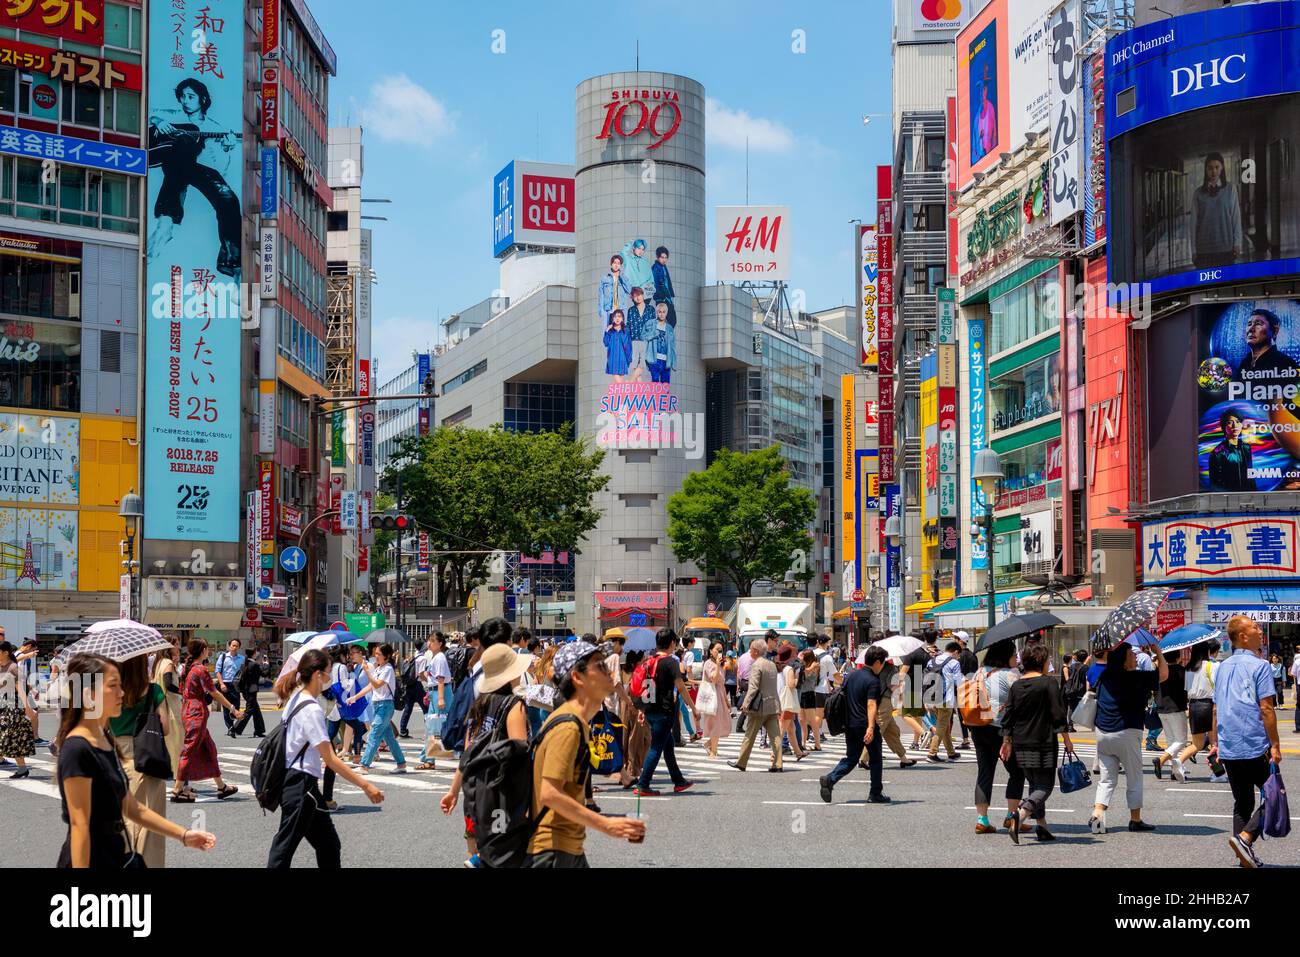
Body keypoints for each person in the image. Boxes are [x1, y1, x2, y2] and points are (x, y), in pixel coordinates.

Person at [55, 653, 217, 868]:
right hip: (90, 860)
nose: (121, 693)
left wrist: (184, 835)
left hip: (115, 853)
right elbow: (79, 826)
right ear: (89, 694)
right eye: (113, 686)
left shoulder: (104, 741)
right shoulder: (77, 748)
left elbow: (132, 808)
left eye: (120, 685)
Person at [526, 642, 647, 867]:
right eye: (599, 665)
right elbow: (549, 794)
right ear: (578, 678)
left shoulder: (577, 721)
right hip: (552, 853)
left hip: (567, 848)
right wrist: (607, 825)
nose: (609, 671)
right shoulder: (568, 726)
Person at [268, 650, 384, 868]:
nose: (331, 679)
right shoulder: (310, 708)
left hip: (303, 785)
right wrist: (366, 785)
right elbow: (330, 757)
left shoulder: (296, 699)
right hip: (300, 785)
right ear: (317, 675)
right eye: (329, 673)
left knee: (328, 845)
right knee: (284, 848)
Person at [439, 643, 532, 868]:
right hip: (503, 793)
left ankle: (478, 860)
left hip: (476, 788)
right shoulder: (514, 705)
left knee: (482, 846)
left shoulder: (479, 704)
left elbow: (469, 752)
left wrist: (453, 791)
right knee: (506, 856)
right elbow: (518, 753)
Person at [149, 78, 241, 276]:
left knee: (229, 198)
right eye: (182, 96)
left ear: (203, 99)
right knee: (185, 141)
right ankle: (166, 219)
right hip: (168, 157)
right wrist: (158, 121)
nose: (185, 101)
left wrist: (226, 147)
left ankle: (230, 257)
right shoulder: (173, 114)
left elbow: (220, 168)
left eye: (191, 96)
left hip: (193, 168)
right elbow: (147, 113)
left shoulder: (214, 127)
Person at [1209, 615, 1282, 868]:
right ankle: (1245, 837)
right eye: (1254, 627)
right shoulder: (1260, 666)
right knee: (1274, 795)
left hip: (1228, 745)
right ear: (1242, 636)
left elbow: (1216, 709)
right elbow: (1266, 708)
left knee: (1242, 802)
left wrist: (1215, 742)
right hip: (1253, 743)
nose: (1259, 631)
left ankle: (1243, 858)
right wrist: (1275, 744)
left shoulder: (1222, 667)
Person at [1088, 639, 1167, 834]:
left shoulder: (1104, 675)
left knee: (1106, 779)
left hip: (1102, 732)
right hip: (1126, 732)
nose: (1135, 657)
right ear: (1124, 660)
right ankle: (1135, 819)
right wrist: (1157, 651)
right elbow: (1163, 675)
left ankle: (1098, 814)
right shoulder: (1137, 677)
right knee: (1134, 777)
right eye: (1131, 655)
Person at [999, 642, 1072, 843]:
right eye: (1048, 659)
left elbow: (1008, 716)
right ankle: (1020, 814)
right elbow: (1058, 715)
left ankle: (1042, 826)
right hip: (1043, 741)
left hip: (1021, 741)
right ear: (1041, 661)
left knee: (1033, 783)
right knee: (1045, 786)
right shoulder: (1048, 683)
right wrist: (1067, 739)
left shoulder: (1017, 685)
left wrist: (1007, 740)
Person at [107, 655, 173, 867]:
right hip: (147, 754)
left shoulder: (112, 690)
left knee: (120, 818)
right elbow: (165, 728)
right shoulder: (153, 690)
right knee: (151, 822)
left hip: (116, 754)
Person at [172, 639, 241, 803]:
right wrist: (233, 709)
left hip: (188, 710)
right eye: (207, 648)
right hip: (197, 713)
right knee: (188, 750)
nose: (209, 650)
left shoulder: (187, 669)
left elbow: (184, 691)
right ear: (203, 650)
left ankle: (221, 786)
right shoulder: (200, 669)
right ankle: (177, 789)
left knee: (209, 748)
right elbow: (214, 693)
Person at [819, 645, 890, 804]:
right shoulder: (873, 680)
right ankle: (875, 793)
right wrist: (871, 727)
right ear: (877, 662)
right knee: (876, 758)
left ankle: (830, 779)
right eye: (883, 662)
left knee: (851, 758)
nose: (883, 665)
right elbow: (871, 705)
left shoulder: (851, 675)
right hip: (865, 724)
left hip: (849, 724)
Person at [633, 629, 698, 796]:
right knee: (656, 748)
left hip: (651, 712)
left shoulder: (649, 661)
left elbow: (647, 687)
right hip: (665, 711)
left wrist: (642, 710)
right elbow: (681, 687)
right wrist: (694, 708)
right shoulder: (670, 662)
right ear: (672, 644)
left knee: (668, 747)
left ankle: (678, 781)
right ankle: (643, 784)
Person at [970, 641, 1025, 834]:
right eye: (1014, 655)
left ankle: (982, 819)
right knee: (1017, 772)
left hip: (979, 727)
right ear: (1006, 655)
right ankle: (1011, 816)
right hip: (1002, 730)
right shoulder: (1011, 674)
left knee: (985, 772)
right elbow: (1021, 699)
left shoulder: (979, 672)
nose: (1016, 658)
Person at [349, 643, 408, 774]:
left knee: (374, 735)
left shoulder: (387, 669)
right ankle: (401, 763)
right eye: (375, 653)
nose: (376, 656)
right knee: (389, 738)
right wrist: (355, 697)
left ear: (386, 656)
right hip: (378, 705)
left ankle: (364, 765)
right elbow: (370, 686)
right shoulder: (379, 668)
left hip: (385, 705)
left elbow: (376, 684)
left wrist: (367, 671)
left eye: (379, 654)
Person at [729, 638, 783, 773]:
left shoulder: (756, 665)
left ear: (756, 651)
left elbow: (753, 687)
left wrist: (746, 704)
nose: (750, 651)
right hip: (772, 704)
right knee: (775, 736)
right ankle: (778, 763)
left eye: (752, 649)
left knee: (750, 734)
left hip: (759, 706)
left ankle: (741, 762)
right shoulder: (771, 664)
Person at [1190, 152, 1245, 272]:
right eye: (1210, 168)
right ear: (1205, 170)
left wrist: (1237, 243)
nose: (1213, 171)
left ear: (1222, 168)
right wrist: (1193, 250)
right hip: (1204, 250)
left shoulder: (1230, 189)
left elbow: (1235, 217)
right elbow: (1193, 224)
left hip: (1226, 248)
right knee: (1207, 287)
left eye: (1217, 167)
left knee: (1227, 284)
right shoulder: (1198, 194)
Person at [415, 632, 454, 770]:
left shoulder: (440, 658)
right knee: (432, 725)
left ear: (440, 643)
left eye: (432, 641)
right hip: (434, 692)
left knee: (439, 725)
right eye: (429, 641)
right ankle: (428, 758)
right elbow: (433, 678)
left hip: (440, 692)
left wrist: (441, 698)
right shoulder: (435, 657)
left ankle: (429, 758)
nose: (429, 643)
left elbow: (441, 679)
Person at [1152, 650, 1189, 783]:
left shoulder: (1160, 671)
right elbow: (1187, 689)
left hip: (1161, 708)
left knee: (1171, 741)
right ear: (1178, 657)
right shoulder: (1182, 671)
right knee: (1181, 741)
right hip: (1176, 708)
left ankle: (1174, 771)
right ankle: (1161, 760)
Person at [0, 641, 35, 778]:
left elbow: (20, 689)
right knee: (13, 738)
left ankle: (21, 768)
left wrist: (28, 708)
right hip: (3, 705)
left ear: (5, 653)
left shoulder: (13, 667)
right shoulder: (2, 666)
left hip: (14, 707)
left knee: (11, 737)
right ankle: (22, 768)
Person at [927, 642, 963, 763]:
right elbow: (959, 682)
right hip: (946, 699)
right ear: (956, 652)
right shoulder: (954, 663)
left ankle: (951, 753)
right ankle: (932, 753)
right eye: (959, 655)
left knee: (944, 726)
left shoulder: (932, 661)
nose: (958, 658)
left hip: (932, 698)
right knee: (942, 726)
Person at [699, 641, 732, 758]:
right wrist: (718, 666)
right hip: (712, 696)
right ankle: (713, 750)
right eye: (717, 650)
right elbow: (713, 679)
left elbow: (721, 684)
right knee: (715, 723)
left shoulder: (720, 664)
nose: (719, 652)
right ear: (711, 651)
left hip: (719, 696)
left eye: (721, 650)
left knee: (721, 722)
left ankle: (710, 746)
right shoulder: (708, 664)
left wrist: (727, 700)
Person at [776, 644, 809, 761]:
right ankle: (774, 754)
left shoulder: (778, 667)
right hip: (787, 702)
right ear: (789, 656)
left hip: (780, 700)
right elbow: (791, 685)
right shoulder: (789, 669)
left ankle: (798, 752)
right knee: (782, 730)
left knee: (791, 728)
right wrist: (797, 676)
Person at [398, 637, 433, 739]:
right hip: (417, 685)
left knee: (408, 708)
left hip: (409, 685)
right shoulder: (422, 658)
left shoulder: (413, 656)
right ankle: (428, 730)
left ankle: (403, 730)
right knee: (426, 707)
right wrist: (429, 681)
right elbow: (421, 674)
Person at [229, 651, 266, 738]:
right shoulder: (254, 665)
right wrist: (266, 664)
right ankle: (234, 728)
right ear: (253, 654)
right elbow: (264, 673)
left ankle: (259, 730)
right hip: (252, 691)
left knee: (256, 710)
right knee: (249, 711)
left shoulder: (244, 664)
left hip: (245, 691)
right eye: (256, 653)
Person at [212, 638, 246, 732]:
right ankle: (230, 727)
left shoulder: (242, 659)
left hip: (236, 685)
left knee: (236, 705)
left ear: (239, 647)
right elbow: (218, 671)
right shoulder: (223, 657)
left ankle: (234, 724)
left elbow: (244, 672)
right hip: (225, 684)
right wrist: (222, 684)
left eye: (236, 646)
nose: (234, 647)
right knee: (226, 707)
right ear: (229, 646)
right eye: (233, 645)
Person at [627, 286, 656, 381]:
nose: (637, 297)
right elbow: (629, 326)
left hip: (646, 340)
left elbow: (653, 325)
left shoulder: (650, 309)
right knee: (634, 362)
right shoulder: (631, 310)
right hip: (634, 339)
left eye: (639, 295)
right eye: (635, 296)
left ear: (643, 295)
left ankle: (630, 382)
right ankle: (639, 385)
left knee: (643, 362)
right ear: (633, 298)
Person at [597, 253, 631, 328]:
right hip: (608, 310)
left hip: (621, 308)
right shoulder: (605, 279)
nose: (616, 265)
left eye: (618, 263)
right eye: (614, 263)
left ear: (620, 265)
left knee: (621, 331)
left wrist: (621, 276)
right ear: (611, 264)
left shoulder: (624, 278)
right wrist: (601, 310)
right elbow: (601, 295)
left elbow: (629, 290)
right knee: (607, 331)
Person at [647, 302, 676, 383]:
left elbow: (673, 346)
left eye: (664, 312)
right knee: (655, 383)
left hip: (666, 360)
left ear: (666, 313)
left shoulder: (669, 328)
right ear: (657, 313)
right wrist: (653, 334)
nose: (662, 314)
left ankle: (664, 396)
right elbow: (643, 336)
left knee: (665, 384)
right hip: (654, 359)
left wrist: (673, 362)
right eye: (660, 312)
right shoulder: (652, 324)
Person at [604, 308, 633, 381]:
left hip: (623, 357)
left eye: (619, 316)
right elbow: (606, 343)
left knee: (621, 381)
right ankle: (626, 391)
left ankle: (625, 391)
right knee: (618, 381)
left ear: (622, 318)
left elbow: (628, 345)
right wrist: (607, 330)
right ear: (613, 318)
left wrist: (628, 359)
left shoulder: (626, 330)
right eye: (615, 316)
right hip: (613, 358)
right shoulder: (610, 331)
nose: (617, 318)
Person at [651, 245, 676, 327]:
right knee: (664, 320)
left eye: (665, 258)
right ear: (658, 257)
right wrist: (661, 296)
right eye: (662, 257)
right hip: (661, 298)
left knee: (672, 320)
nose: (664, 259)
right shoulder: (655, 268)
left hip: (668, 298)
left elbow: (668, 283)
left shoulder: (664, 267)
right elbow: (655, 284)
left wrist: (671, 295)